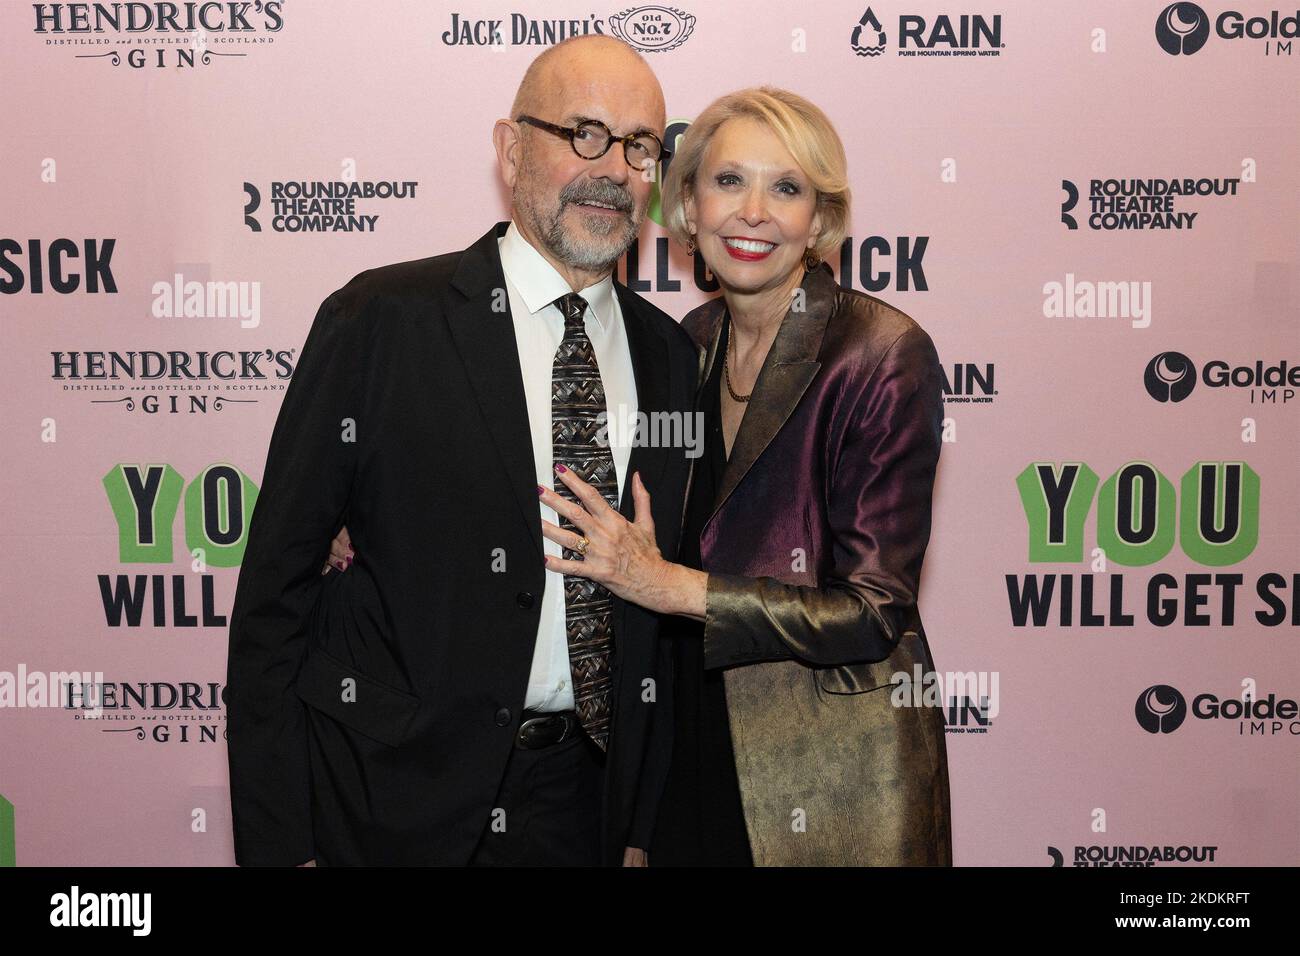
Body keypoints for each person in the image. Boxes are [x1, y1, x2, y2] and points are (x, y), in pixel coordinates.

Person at [225, 34, 698, 867]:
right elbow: (274, 595)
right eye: (584, 133)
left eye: (638, 147)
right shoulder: (381, 319)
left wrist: (638, 824)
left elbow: (658, 629)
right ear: (511, 149)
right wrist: (281, 842)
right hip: (383, 801)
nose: (614, 168)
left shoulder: (670, 355)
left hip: (582, 812)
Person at [535, 86, 953, 865]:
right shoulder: (682, 344)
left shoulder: (880, 353)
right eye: (728, 182)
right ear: (686, 209)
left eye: (786, 188)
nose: (753, 211)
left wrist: (672, 587)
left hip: (827, 773)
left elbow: (871, 613)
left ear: (819, 222)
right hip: (686, 752)